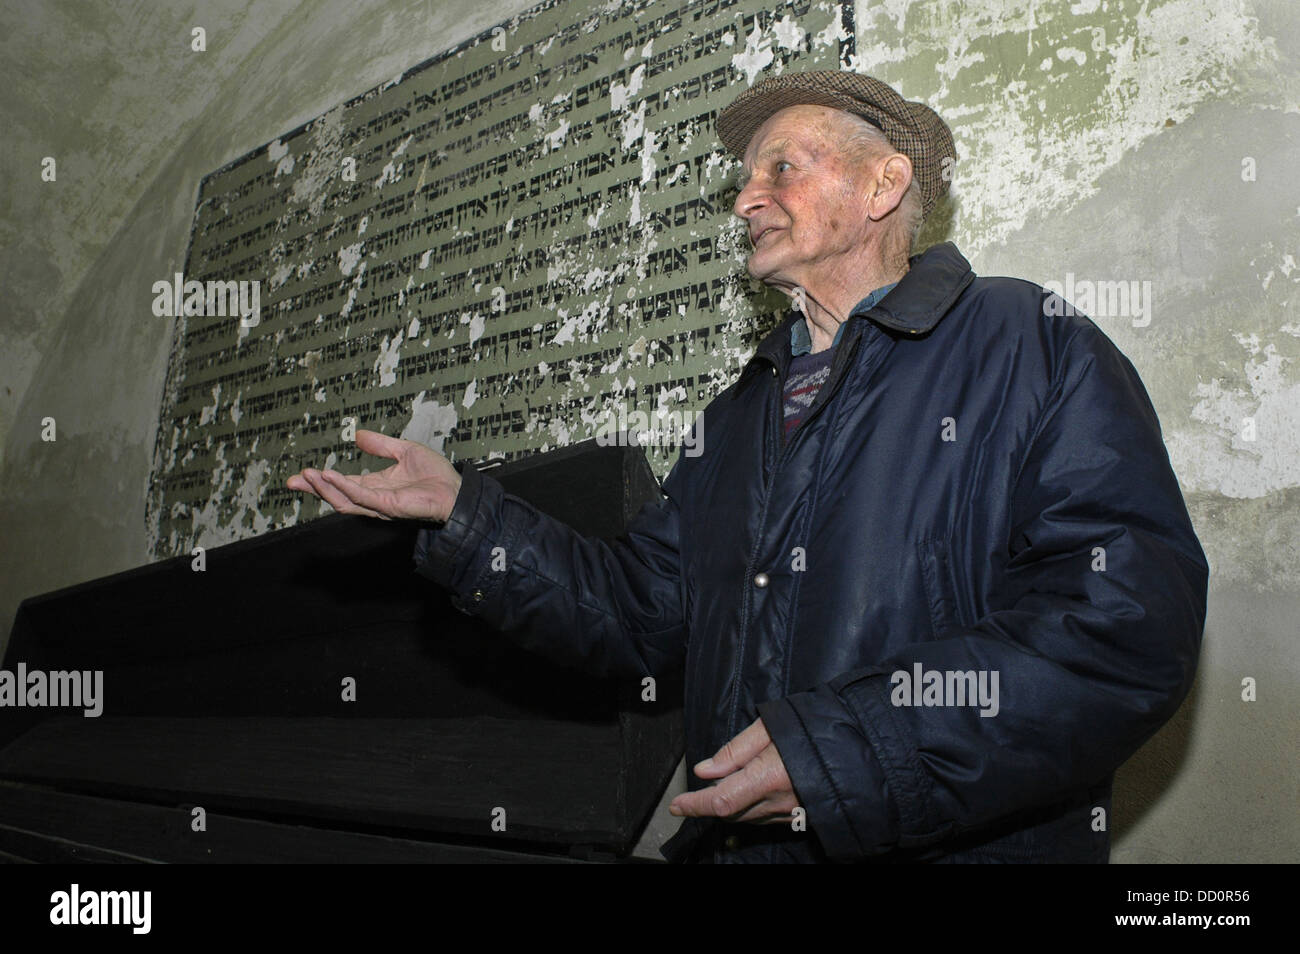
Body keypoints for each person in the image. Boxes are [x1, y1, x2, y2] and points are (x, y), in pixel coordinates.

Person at [287, 70, 1208, 863]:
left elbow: (1123, 625)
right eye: (745, 177)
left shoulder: (1024, 342)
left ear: (885, 185)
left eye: (782, 168)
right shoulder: (741, 412)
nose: (745, 199)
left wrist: (845, 752)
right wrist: (464, 516)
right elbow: (638, 611)